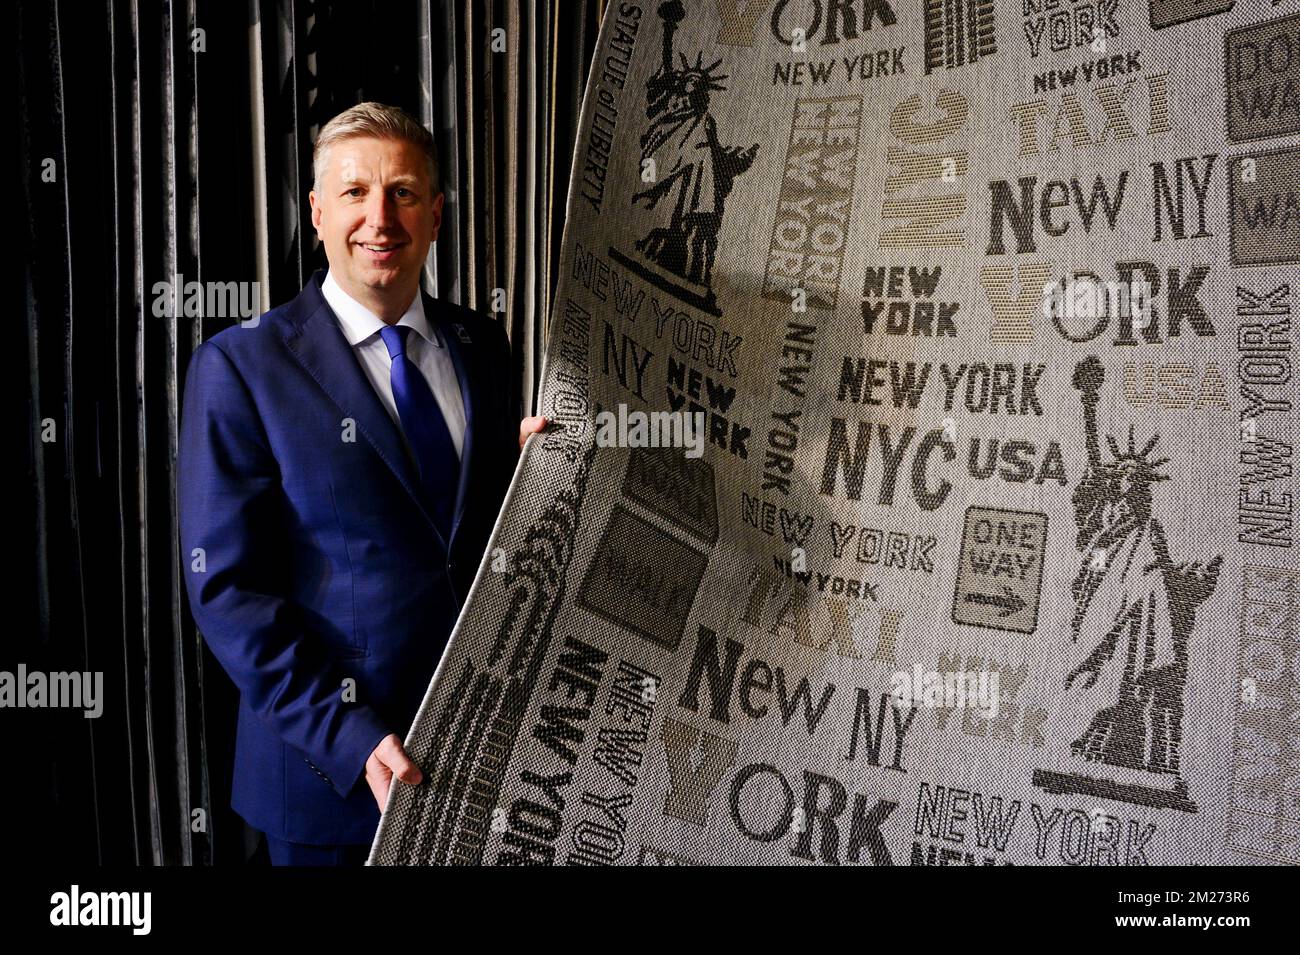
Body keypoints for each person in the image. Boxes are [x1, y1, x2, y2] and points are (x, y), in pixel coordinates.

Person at [178, 102, 545, 865]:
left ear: (436, 213)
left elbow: (467, 542)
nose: (381, 217)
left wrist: (540, 480)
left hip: (486, 760)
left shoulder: (485, 345)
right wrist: (349, 735)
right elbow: (229, 592)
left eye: (404, 192)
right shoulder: (242, 366)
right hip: (332, 782)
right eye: (354, 193)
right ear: (316, 212)